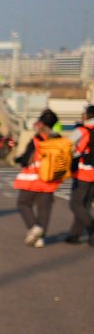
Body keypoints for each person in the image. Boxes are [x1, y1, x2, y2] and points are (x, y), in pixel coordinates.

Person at [13, 110, 70, 247]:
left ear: (42, 123)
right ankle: (40, 238)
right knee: (44, 209)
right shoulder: (60, 140)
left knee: (23, 203)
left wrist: (19, 159)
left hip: (33, 179)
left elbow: (26, 160)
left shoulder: (37, 139)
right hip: (51, 179)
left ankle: (34, 228)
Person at [65, 105, 94, 245]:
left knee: (75, 204)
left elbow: (66, 145)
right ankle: (74, 235)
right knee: (85, 205)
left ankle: (92, 229)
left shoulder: (82, 130)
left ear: (87, 115)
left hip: (83, 173)